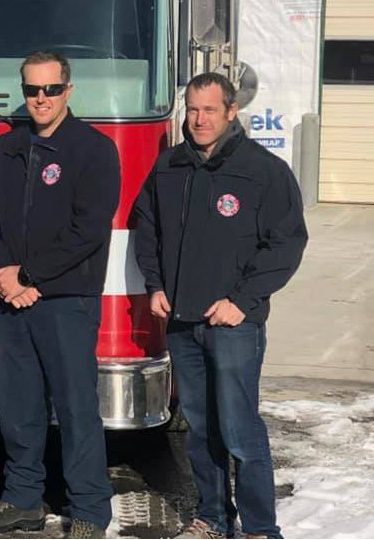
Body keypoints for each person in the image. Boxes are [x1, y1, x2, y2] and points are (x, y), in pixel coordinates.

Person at [133, 72, 307, 539]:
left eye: (209, 110)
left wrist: (242, 301)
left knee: (239, 431)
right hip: (182, 322)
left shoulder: (263, 171)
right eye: (192, 110)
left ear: (232, 111)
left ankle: (259, 528)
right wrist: (155, 284)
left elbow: (287, 243)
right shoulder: (169, 167)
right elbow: (146, 229)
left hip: (234, 326)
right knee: (201, 431)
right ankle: (212, 517)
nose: (199, 119)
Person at [0, 51, 118, 539]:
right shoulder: (7, 148)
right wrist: (5, 274)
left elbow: (88, 230)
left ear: (68, 90)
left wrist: (30, 276)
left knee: (76, 409)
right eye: (32, 90)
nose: (41, 98)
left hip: (67, 300)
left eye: (51, 89)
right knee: (19, 409)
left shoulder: (94, 150)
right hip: (13, 300)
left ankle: (90, 510)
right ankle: (22, 500)